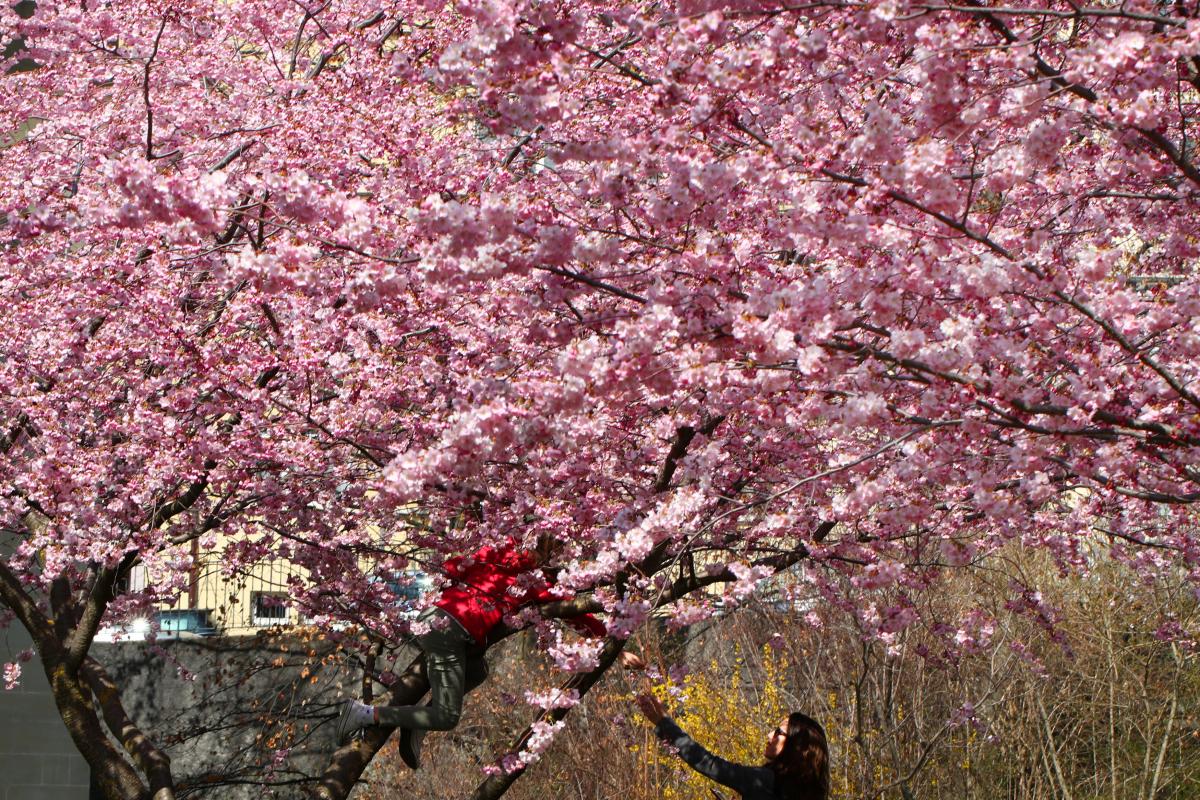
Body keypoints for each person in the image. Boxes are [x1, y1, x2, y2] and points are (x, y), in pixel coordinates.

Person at [334, 535, 607, 769]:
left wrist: (456, 593)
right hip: (449, 632)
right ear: (548, 553)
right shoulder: (534, 582)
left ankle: (416, 723)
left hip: (436, 617)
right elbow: (575, 612)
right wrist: (608, 632)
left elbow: (452, 566)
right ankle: (363, 714)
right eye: (556, 554)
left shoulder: (498, 550)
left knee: (477, 670)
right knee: (446, 717)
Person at [623, 654, 830, 800]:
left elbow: (707, 763)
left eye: (779, 732)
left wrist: (663, 723)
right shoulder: (809, 792)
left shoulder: (764, 781)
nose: (769, 734)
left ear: (796, 746)